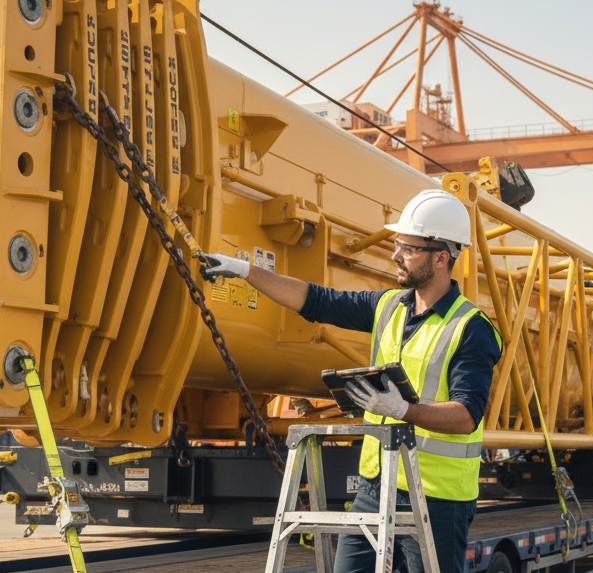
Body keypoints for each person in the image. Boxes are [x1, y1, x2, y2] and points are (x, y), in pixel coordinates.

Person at [200, 189, 502, 573]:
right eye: (397, 245)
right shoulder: (389, 306)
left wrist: (402, 410)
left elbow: (466, 415)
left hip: (437, 498)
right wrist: (245, 271)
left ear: (441, 257)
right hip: (377, 484)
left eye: (407, 249)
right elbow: (318, 301)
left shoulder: (471, 328)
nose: (395, 256)